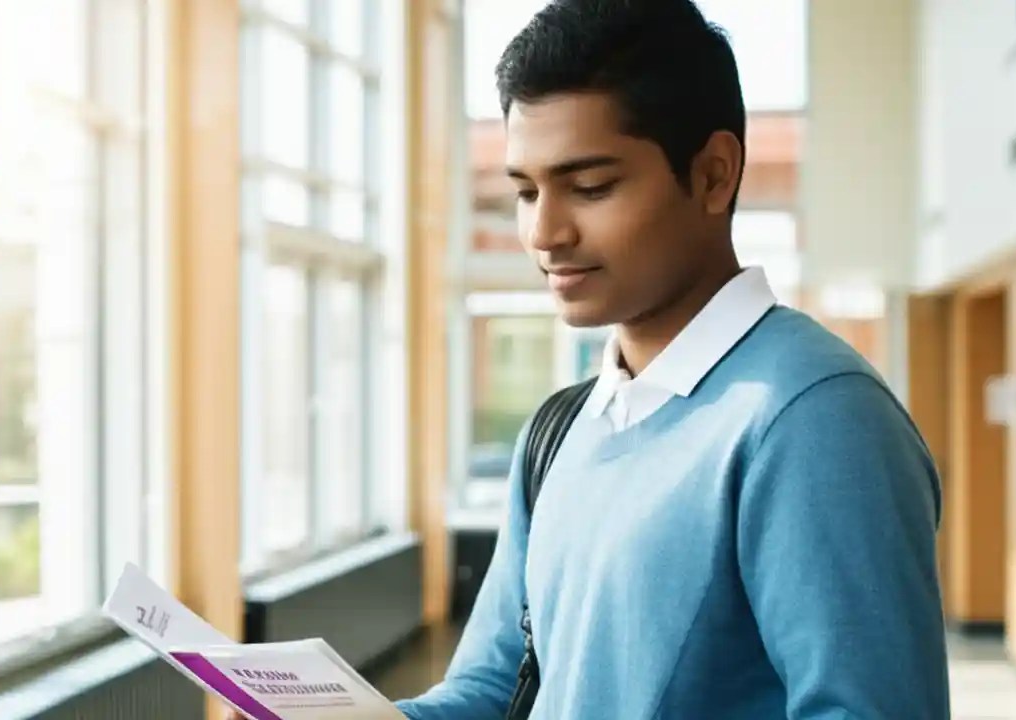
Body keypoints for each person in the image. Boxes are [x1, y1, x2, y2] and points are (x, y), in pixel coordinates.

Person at [226, 0, 950, 718]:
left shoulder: (815, 420)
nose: (544, 232)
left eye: (590, 187)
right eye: (524, 190)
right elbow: (490, 690)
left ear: (713, 175)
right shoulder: (561, 428)